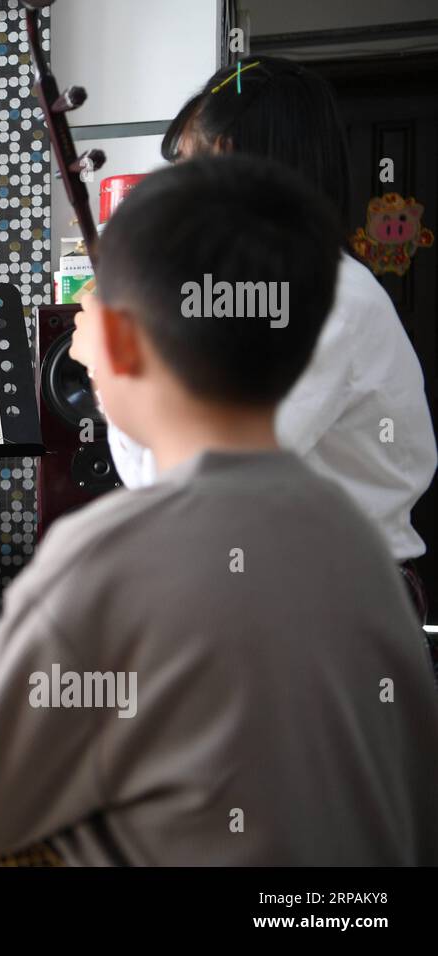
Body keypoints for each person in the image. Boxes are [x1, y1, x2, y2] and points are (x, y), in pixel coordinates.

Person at [0, 155, 438, 865]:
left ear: (124, 343)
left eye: (90, 306)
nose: (79, 327)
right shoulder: (360, 546)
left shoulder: (105, 554)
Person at [71, 58, 436, 622]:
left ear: (238, 160)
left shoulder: (328, 297)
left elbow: (197, 487)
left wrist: (110, 367)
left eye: (191, 166)